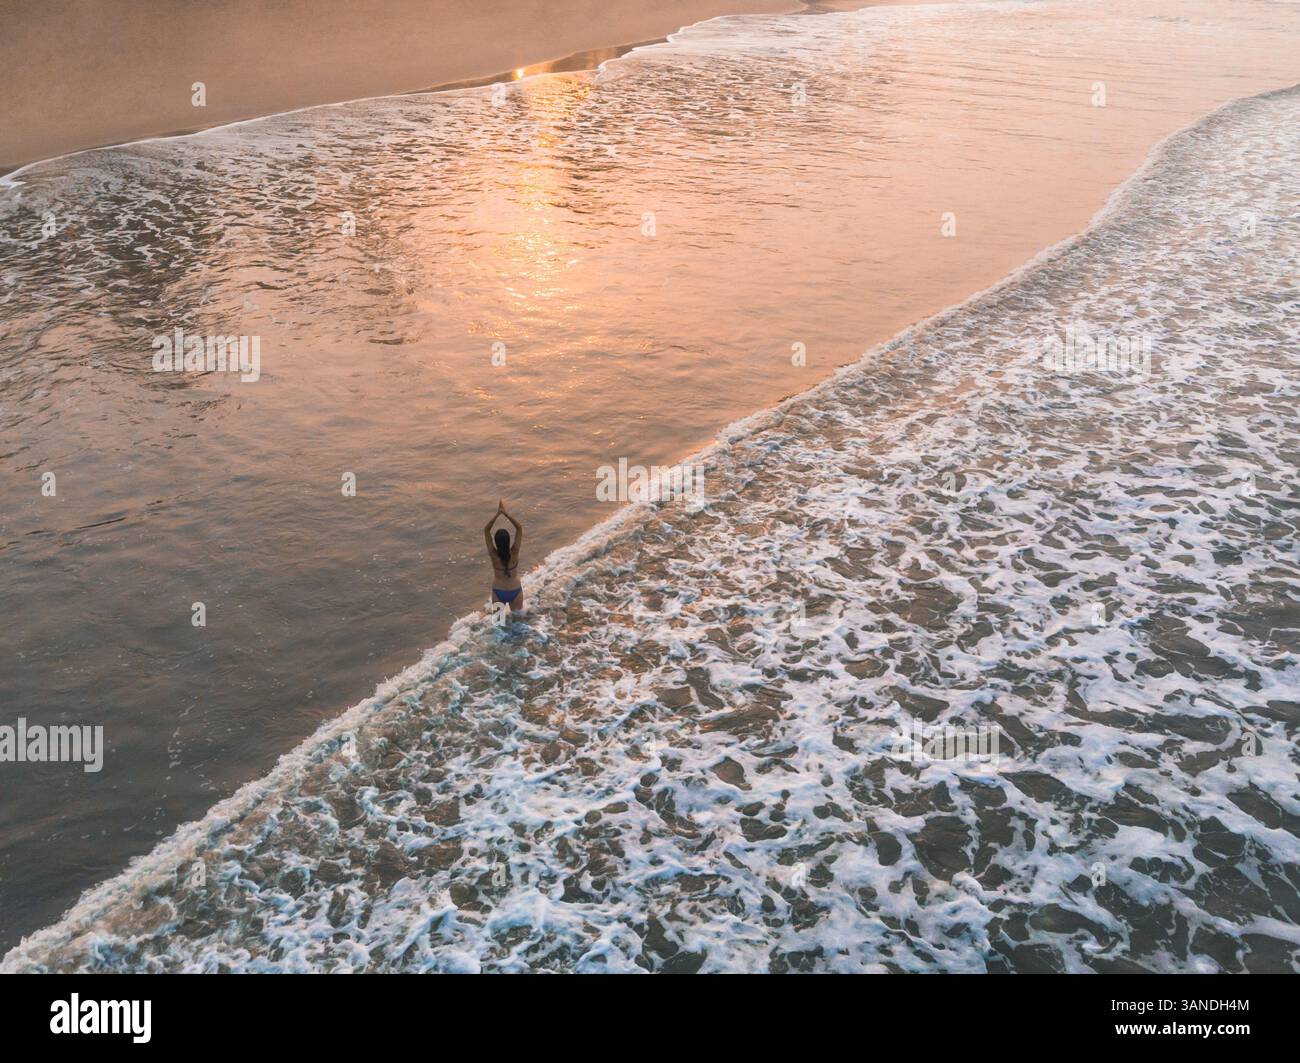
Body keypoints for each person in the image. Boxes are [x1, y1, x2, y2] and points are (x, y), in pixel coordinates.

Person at [484, 500, 524, 618]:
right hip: (515, 590)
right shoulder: (515, 553)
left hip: (498, 591)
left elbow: (486, 530)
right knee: (518, 624)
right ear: (508, 541)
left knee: (498, 624)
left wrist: (497, 514)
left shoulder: (494, 556)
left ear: (496, 542)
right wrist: (505, 514)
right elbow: (519, 528)